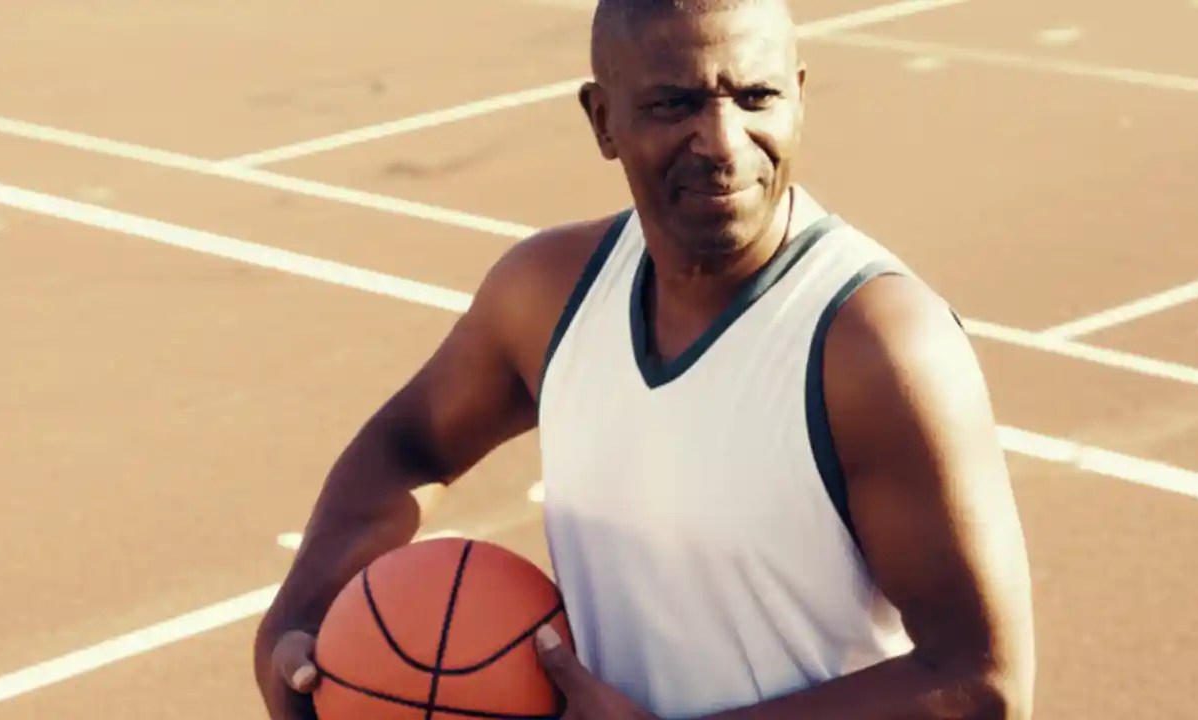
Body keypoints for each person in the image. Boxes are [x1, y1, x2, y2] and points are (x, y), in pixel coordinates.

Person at [254, 0, 1037, 718]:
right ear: (602, 119)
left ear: (798, 96)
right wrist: (297, 620)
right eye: (675, 103)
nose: (723, 144)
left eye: (756, 97)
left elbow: (980, 681)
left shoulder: (875, 345)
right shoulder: (549, 292)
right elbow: (410, 444)